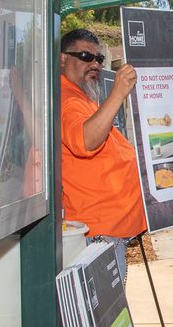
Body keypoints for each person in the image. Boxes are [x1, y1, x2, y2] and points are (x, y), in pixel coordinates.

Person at [59, 29, 145, 280]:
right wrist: (118, 93)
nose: (95, 64)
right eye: (86, 56)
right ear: (63, 58)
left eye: (99, 59)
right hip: (97, 236)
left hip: (109, 232)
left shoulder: (81, 97)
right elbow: (86, 141)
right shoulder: (66, 99)